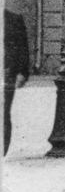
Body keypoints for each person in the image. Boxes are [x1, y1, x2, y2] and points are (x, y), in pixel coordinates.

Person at [5, 9, 30, 155]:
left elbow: (23, 48)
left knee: (3, 112)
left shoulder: (13, 19)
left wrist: (22, 72)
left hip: (7, 73)